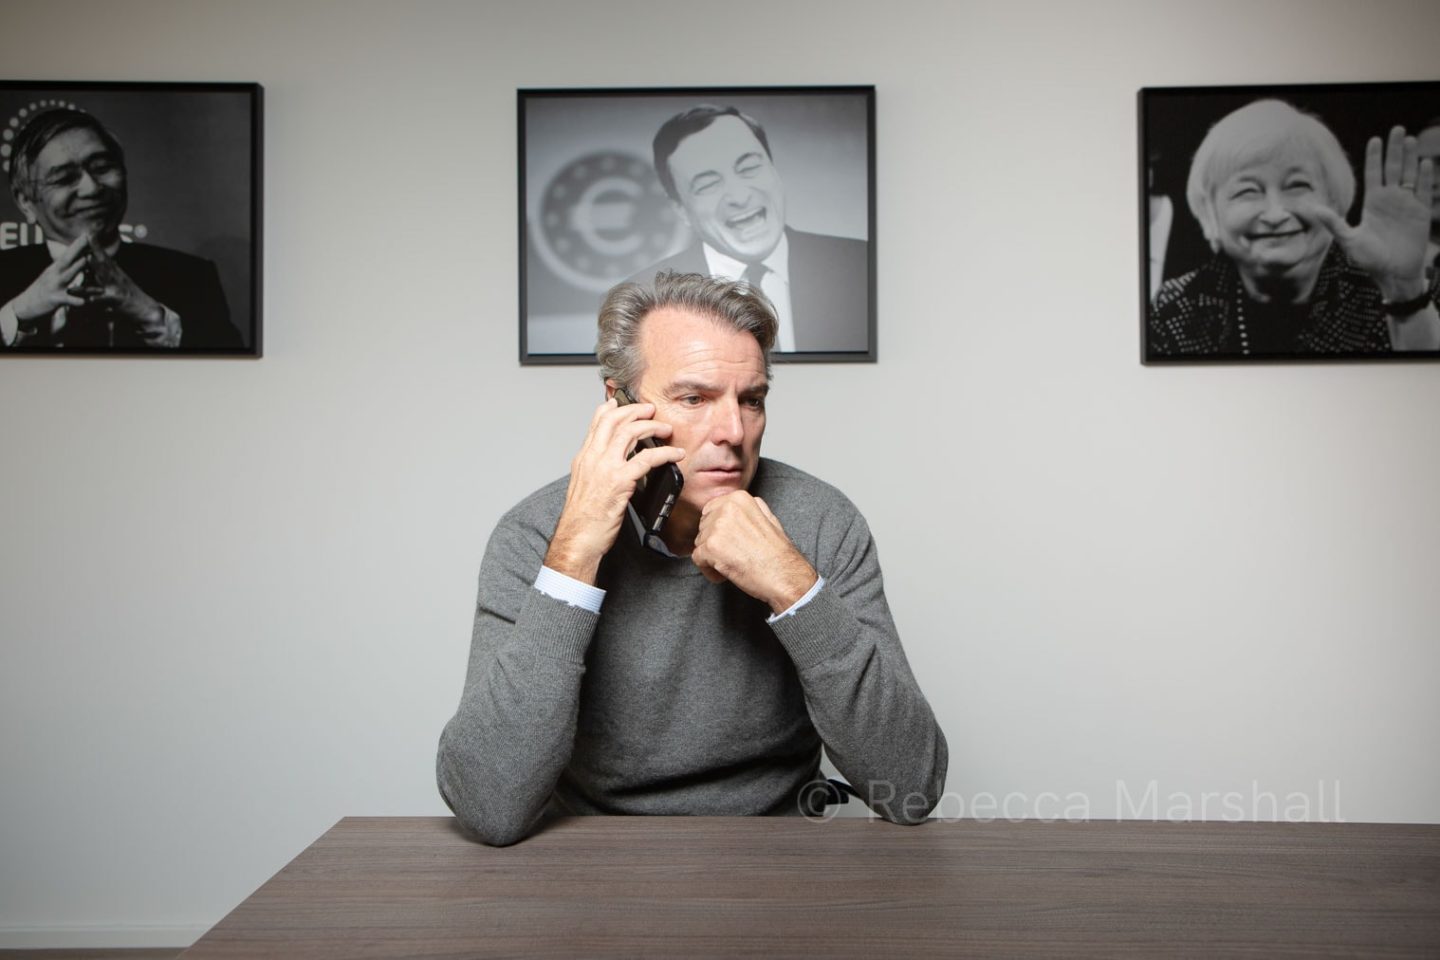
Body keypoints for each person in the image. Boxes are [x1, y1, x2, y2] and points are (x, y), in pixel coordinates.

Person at [437, 271, 946, 846]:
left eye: (751, 400)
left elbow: (911, 787)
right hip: (590, 857)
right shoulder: (535, 534)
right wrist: (574, 556)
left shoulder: (823, 521)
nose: (733, 431)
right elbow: (487, 805)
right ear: (619, 405)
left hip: (782, 856)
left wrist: (794, 589)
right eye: (694, 398)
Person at [1149, 99, 1439, 357]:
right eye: (1247, 191)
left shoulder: (1406, 290)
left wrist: (1406, 298)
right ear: (1210, 210)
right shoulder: (1177, 306)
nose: (1275, 214)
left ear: (1334, 198)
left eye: (1298, 186)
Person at [631, 104, 869, 354]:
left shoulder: (861, 266)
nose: (739, 196)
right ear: (681, 209)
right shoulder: (641, 301)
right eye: (708, 184)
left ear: (774, 170)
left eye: (749, 168)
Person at [0, 107, 240, 351]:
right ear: (25, 201)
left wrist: (153, 317)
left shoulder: (192, 278)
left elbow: (234, 378)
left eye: (102, 167)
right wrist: (15, 315)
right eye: (64, 178)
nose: (91, 188)